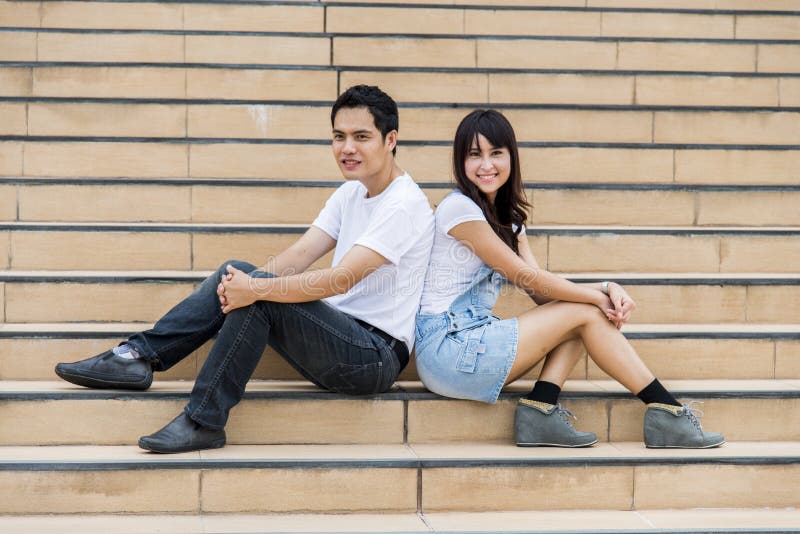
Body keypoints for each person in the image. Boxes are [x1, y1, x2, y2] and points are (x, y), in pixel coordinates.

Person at [55, 85, 435, 453]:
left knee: (259, 296)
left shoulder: (403, 204)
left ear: (390, 140)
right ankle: (137, 357)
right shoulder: (351, 192)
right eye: (339, 136)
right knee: (239, 273)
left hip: (373, 356)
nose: (347, 148)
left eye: (361, 136)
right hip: (338, 336)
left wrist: (255, 290)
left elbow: (339, 279)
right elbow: (299, 256)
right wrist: (247, 282)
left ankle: (203, 421)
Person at [414, 109, 724, 449]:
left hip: (473, 348)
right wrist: (596, 297)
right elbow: (523, 275)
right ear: (461, 162)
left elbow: (540, 293)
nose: (486, 165)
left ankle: (542, 408)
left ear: (511, 158)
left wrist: (605, 290)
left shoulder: (510, 223)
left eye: (495, 153)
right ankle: (666, 410)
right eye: (475, 155)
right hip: (448, 350)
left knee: (579, 312)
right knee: (583, 310)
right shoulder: (458, 210)